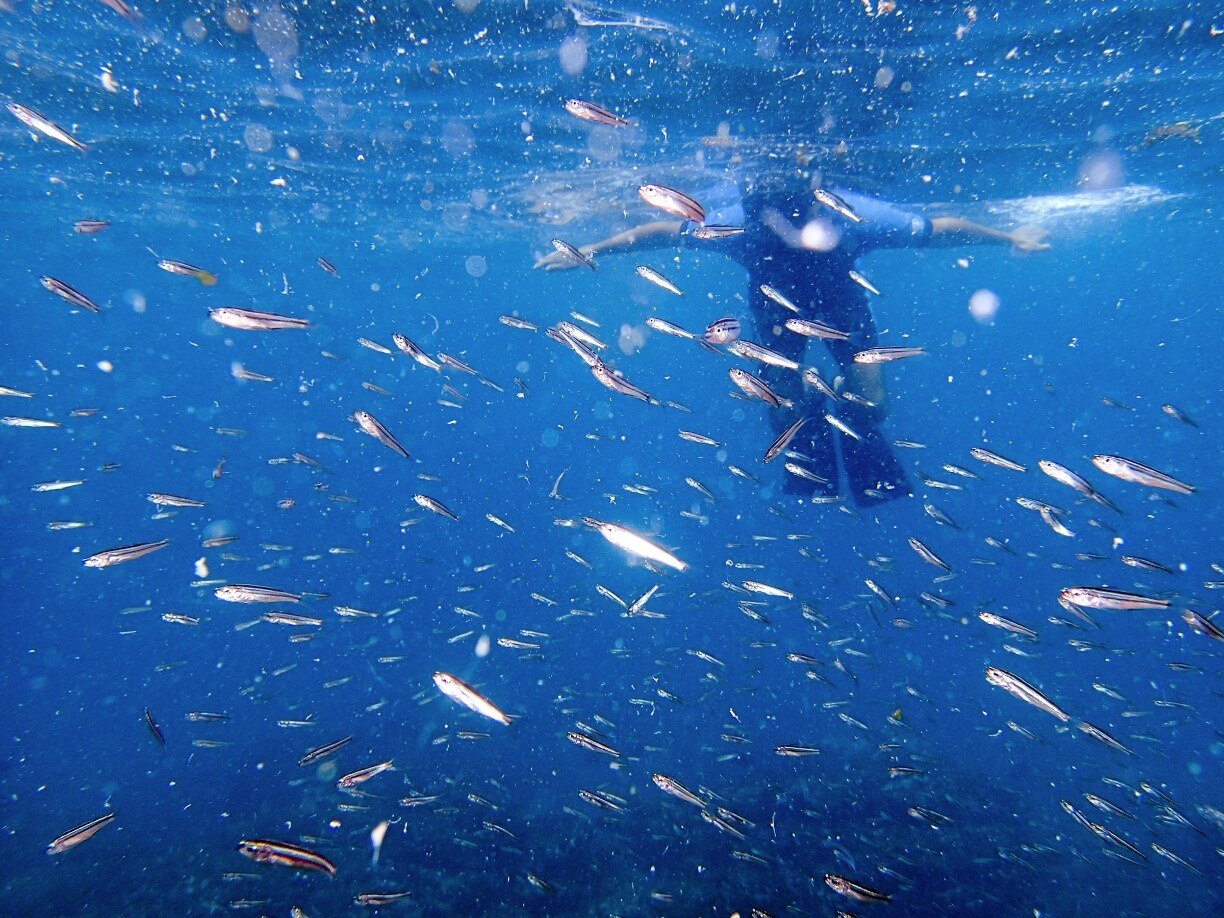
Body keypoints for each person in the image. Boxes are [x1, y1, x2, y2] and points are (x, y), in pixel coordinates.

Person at [534, 168, 1050, 506]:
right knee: (781, 410)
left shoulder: (850, 214)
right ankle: (813, 432)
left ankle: (844, 426)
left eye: (790, 211)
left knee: (872, 406)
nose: (782, 224)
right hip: (777, 322)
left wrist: (1010, 238)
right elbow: (664, 232)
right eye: (769, 211)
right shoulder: (740, 224)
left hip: (843, 315)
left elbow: (937, 229)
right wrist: (592, 249)